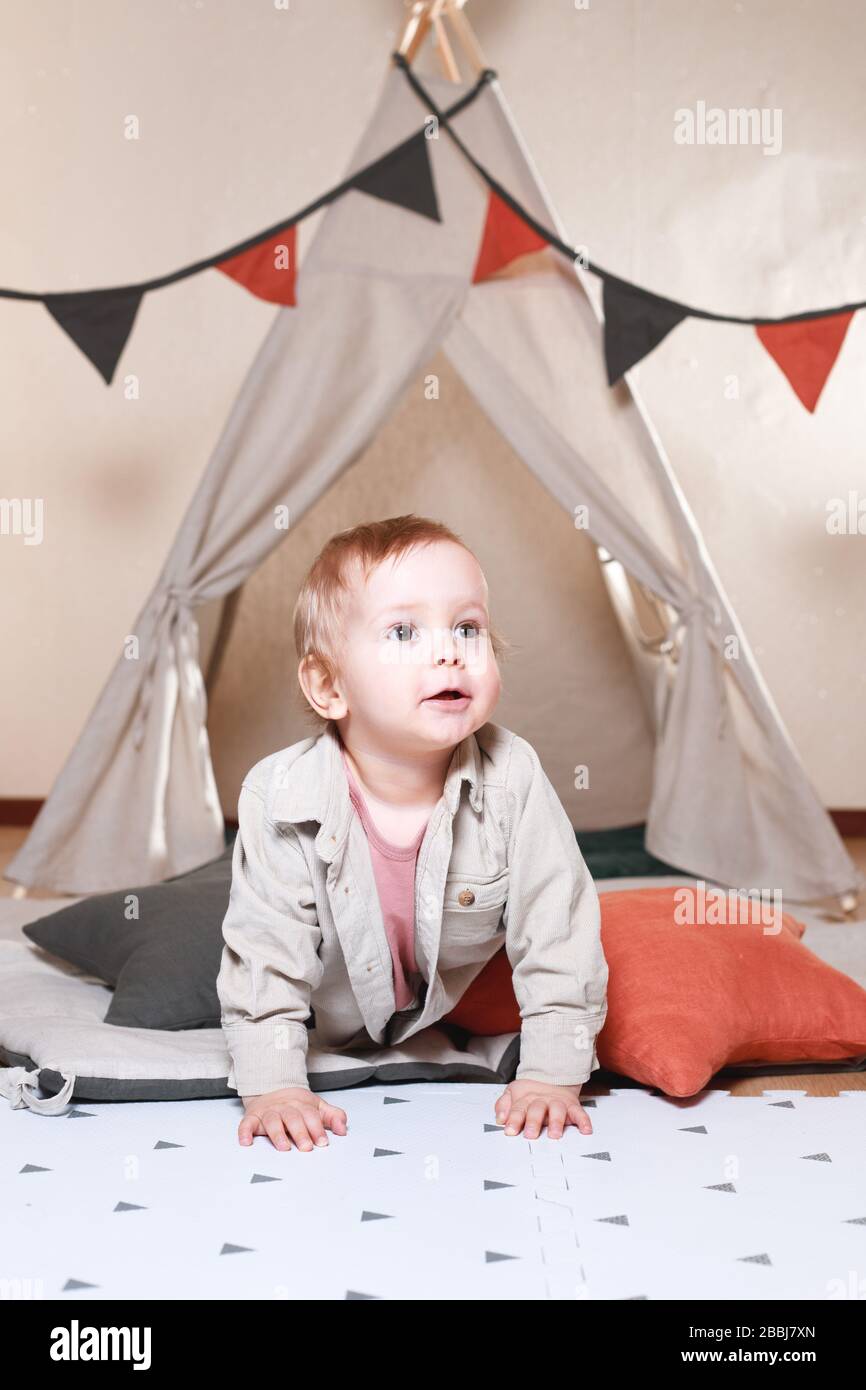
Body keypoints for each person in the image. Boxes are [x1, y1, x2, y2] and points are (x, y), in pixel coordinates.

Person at [217, 515, 608, 1153]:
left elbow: (558, 927)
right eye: (403, 631)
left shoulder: (513, 777)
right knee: (194, 959)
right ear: (328, 685)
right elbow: (264, 953)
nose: (449, 650)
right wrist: (274, 1086)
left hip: (442, 1001)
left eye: (468, 627)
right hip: (329, 1008)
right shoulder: (279, 794)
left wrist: (551, 1074)